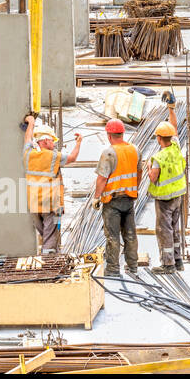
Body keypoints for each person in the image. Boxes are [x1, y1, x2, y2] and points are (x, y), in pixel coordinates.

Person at [23, 115, 80, 253]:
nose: (54, 144)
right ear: (45, 140)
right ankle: (48, 262)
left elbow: (27, 139)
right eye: (52, 140)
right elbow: (72, 158)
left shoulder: (28, 154)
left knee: (46, 236)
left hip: (34, 206)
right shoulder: (54, 156)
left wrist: (31, 123)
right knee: (50, 241)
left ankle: (51, 255)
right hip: (51, 207)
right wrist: (79, 143)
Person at [92, 118, 140, 277]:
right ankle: (132, 266)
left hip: (112, 201)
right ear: (122, 133)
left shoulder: (109, 153)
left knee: (112, 236)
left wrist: (96, 197)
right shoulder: (134, 149)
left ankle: (113, 269)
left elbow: (102, 178)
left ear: (109, 135)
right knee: (130, 234)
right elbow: (139, 172)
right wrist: (134, 189)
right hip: (129, 198)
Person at [147, 95, 186, 274]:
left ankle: (168, 264)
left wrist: (148, 167)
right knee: (175, 228)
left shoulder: (158, 157)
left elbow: (153, 178)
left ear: (158, 138)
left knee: (164, 230)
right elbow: (174, 127)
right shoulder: (175, 147)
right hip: (178, 195)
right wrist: (171, 108)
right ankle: (178, 261)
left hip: (164, 199)